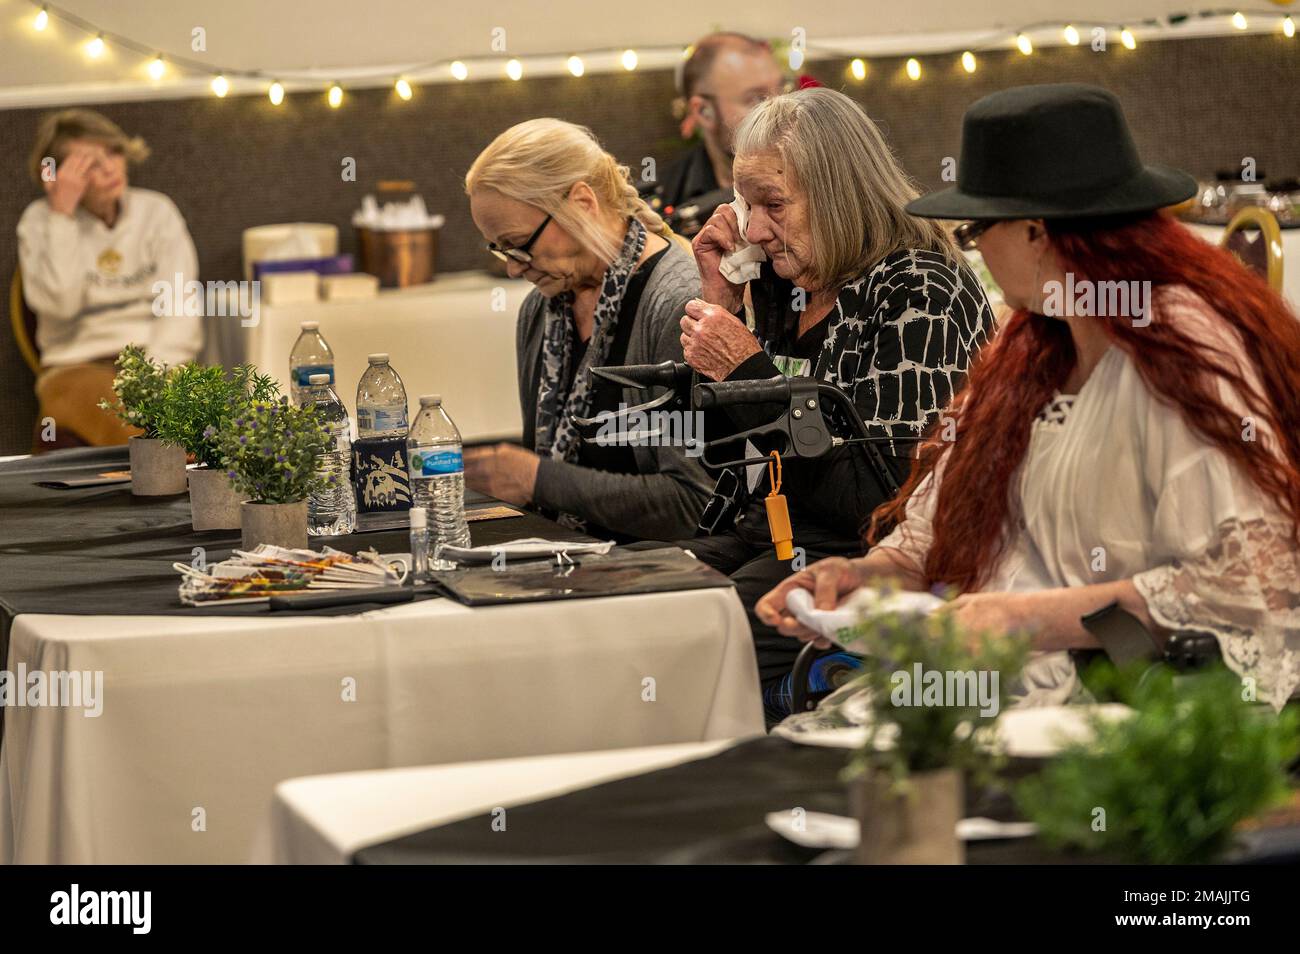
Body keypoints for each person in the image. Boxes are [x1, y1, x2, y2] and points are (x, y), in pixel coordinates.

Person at [758, 83, 1300, 716]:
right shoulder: (1032, 346)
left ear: (1038, 233)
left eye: (977, 227)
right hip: (1019, 691)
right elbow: (931, 540)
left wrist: (1024, 618)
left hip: (1138, 710)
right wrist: (862, 577)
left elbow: (1248, 584)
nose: (974, 248)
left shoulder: (1180, 348)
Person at [681, 88, 994, 720]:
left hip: (870, 557)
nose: (758, 229)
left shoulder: (919, 290)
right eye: (748, 206)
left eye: (774, 204)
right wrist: (723, 300)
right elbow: (719, 460)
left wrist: (748, 371)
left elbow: (881, 504)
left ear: (839, 194)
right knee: (644, 593)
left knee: (696, 635)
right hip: (771, 533)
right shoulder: (780, 284)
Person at [464, 118, 712, 541]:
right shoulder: (540, 311)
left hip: (665, 574)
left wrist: (539, 480)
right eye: (498, 248)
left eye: (519, 243)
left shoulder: (678, 304)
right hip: (570, 557)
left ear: (582, 203)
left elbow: (694, 504)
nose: (512, 266)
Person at [17, 108, 201, 448]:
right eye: (88, 165)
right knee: (136, 427)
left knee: (208, 415)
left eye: (113, 153)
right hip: (75, 367)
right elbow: (61, 304)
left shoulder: (157, 211)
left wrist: (153, 375)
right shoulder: (39, 222)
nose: (109, 169)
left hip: (156, 360)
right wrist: (62, 216)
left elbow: (180, 307)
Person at [640, 32, 786, 233]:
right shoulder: (666, 199)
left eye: (784, 90)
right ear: (703, 112)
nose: (780, 110)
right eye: (757, 99)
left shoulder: (816, 178)